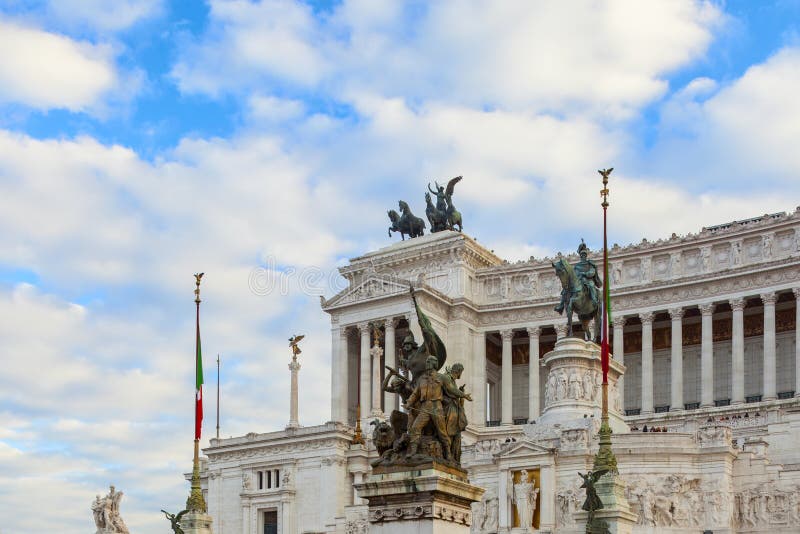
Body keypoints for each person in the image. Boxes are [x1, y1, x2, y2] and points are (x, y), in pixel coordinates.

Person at [404, 355, 451, 459]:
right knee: (415, 428)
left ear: (434, 364)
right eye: (427, 361)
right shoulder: (422, 379)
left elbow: (451, 390)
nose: (427, 363)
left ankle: (448, 452)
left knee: (442, 431)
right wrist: (409, 403)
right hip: (425, 407)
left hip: (436, 407)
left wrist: (462, 394)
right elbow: (415, 393)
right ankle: (413, 451)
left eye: (429, 361)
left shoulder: (442, 377)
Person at [439, 363, 472, 462]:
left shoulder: (452, 380)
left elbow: (454, 392)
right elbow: (451, 390)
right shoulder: (447, 377)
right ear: (458, 371)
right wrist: (463, 395)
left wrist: (461, 393)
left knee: (454, 433)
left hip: (453, 408)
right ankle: (447, 453)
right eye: (461, 372)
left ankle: (452, 455)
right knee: (450, 431)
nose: (461, 374)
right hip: (448, 408)